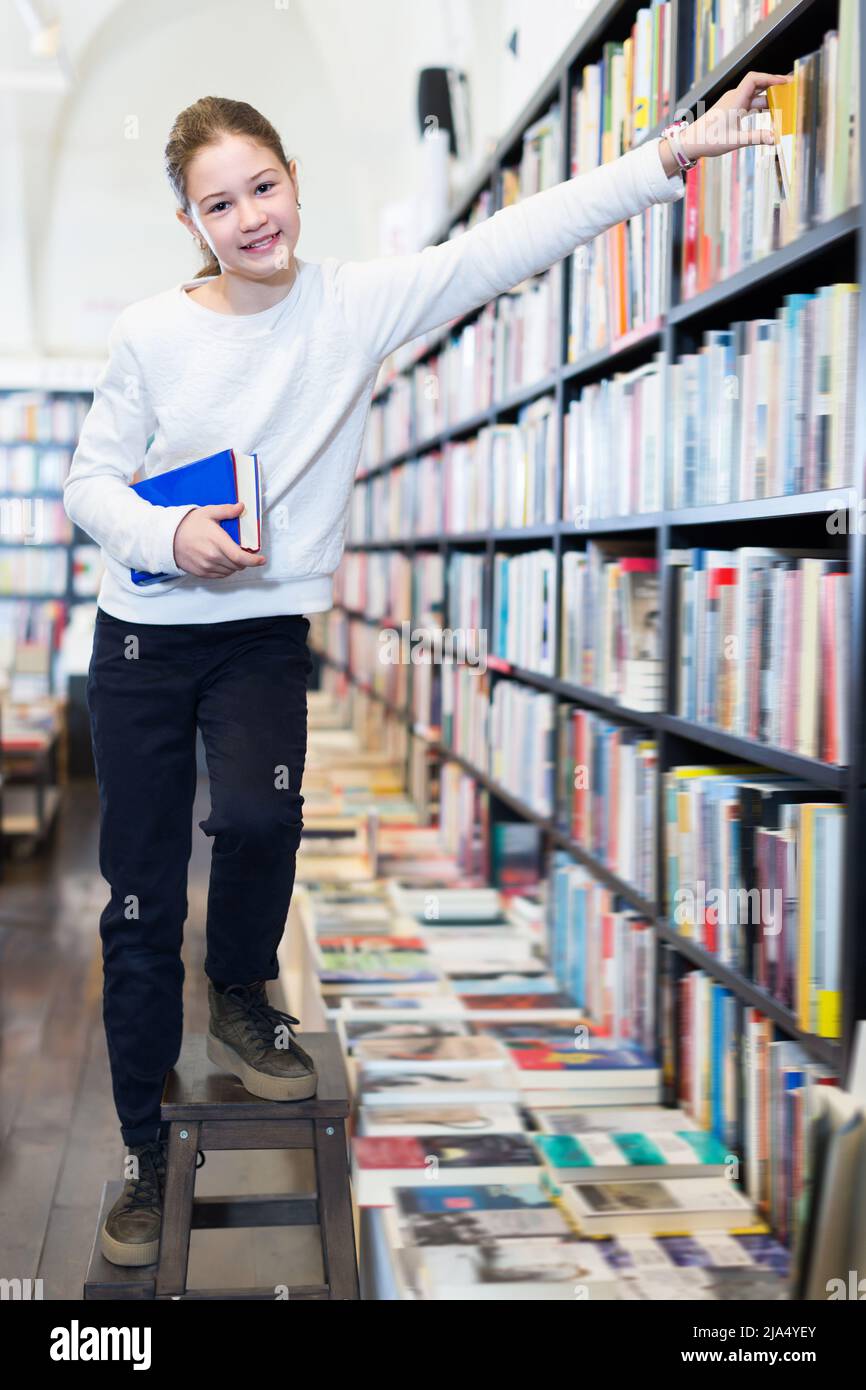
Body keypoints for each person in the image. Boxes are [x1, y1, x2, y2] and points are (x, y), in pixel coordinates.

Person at [64, 71, 792, 1267]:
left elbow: (509, 240)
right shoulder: (153, 332)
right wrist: (167, 535)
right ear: (188, 224)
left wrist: (673, 150)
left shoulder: (353, 304)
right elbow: (89, 483)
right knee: (137, 907)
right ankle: (143, 1153)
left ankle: (241, 987)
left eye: (263, 186)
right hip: (141, 637)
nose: (250, 217)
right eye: (218, 204)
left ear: (295, 182)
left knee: (254, 820)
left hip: (257, 632)